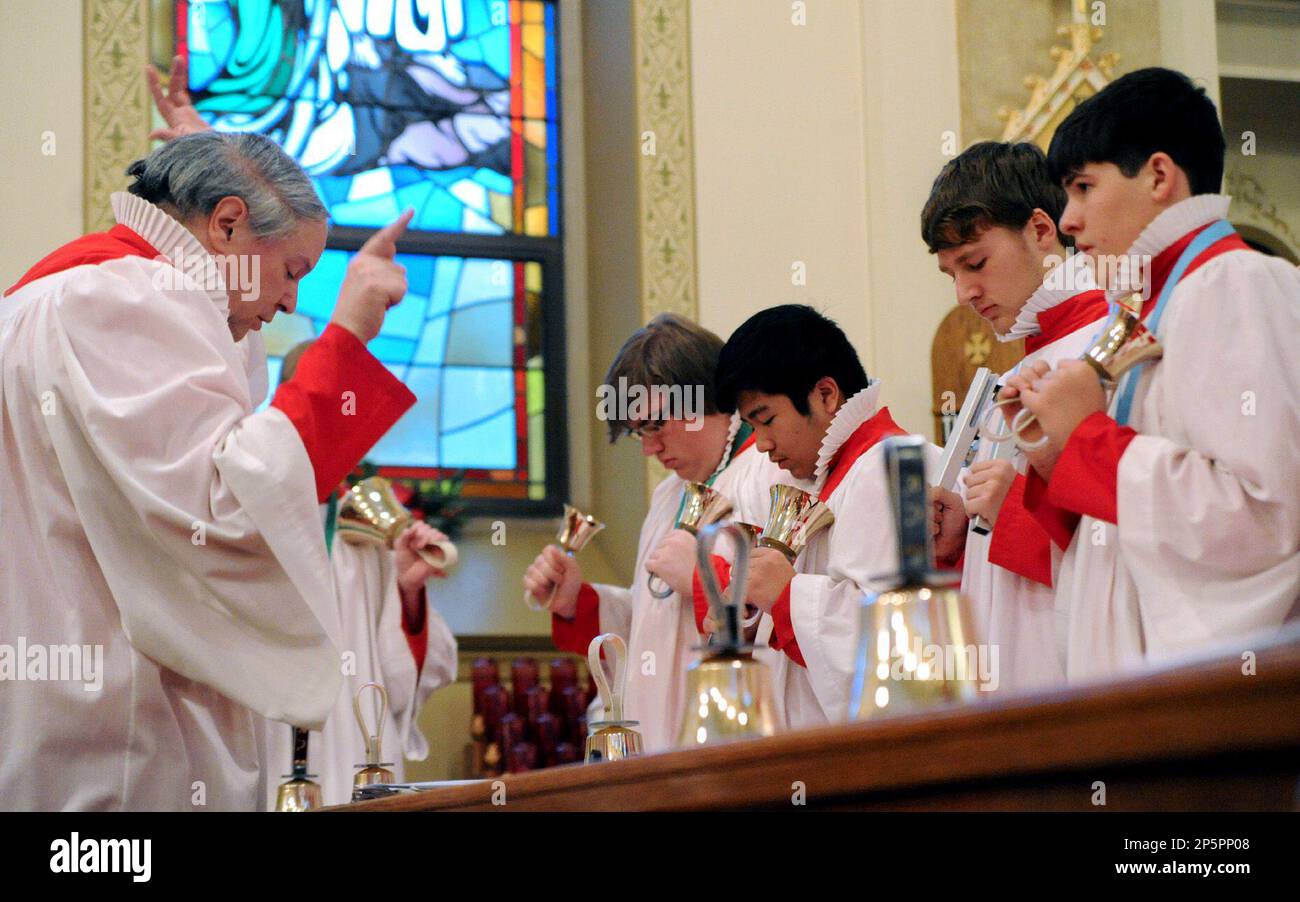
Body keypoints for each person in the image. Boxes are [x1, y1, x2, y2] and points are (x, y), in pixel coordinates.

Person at [0, 130, 416, 810]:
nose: (288, 304)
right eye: (292, 271)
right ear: (226, 223)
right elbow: (225, 514)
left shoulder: (39, 299)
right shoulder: (136, 299)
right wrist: (347, 343)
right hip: (120, 749)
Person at [1001, 67, 1300, 680]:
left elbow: (1265, 516)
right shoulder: (1153, 304)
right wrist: (1057, 453)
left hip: (1218, 698)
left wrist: (1086, 437)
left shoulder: (1234, 284)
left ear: (1160, 176)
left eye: (1084, 188)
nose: (1068, 221)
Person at [522, 314, 769, 751]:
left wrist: (701, 578)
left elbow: (779, 625)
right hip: (662, 738)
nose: (651, 449)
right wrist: (578, 601)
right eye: (639, 432)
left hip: (736, 734)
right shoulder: (668, 495)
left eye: (657, 426)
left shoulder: (764, 476)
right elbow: (652, 624)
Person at [696, 305, 949, 726]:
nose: (760, 445)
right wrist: (752, 614)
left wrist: (787, 595)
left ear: (826, 395)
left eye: (767, 420)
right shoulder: (825, 476)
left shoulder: (893, 467)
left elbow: (903, 659)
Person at [920, 141, 1109, 692]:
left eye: (975, 263)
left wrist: (1015, 518)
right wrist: (963, 539)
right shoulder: (1025, 362)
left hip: (1071, 675)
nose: (964, 293)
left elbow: (1125, 544)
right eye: (950, 273)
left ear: (1042, 230)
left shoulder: (1103, 345)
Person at [259, 341, 458, 809]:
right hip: (265, 736)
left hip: (353, 745)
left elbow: (400, 673)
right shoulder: (245, 512)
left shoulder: (364, 528)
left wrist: (408, 592)